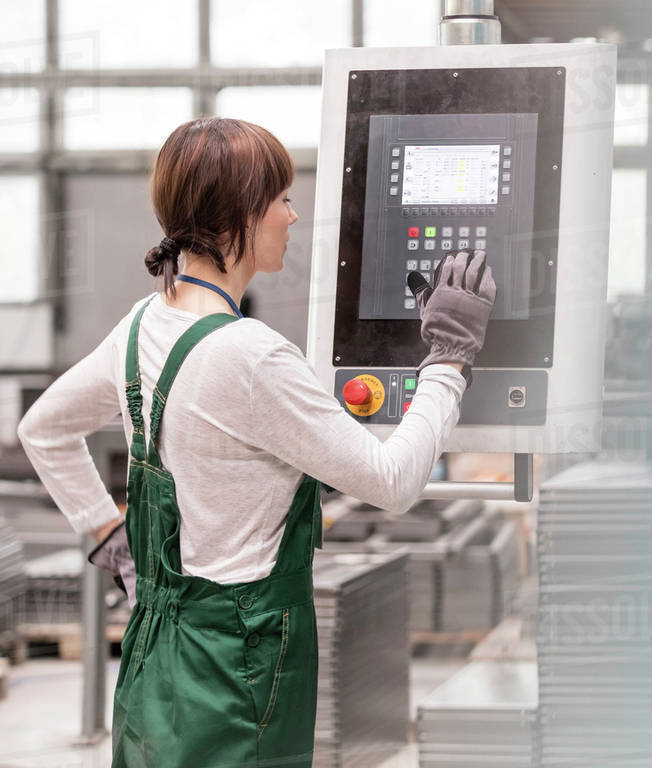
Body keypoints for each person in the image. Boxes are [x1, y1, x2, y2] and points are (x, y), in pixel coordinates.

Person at [16, 117, 495, 767]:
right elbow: (392, 480)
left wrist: (108, 535)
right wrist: (448, 359)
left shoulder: (140, 326)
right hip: (240, 669)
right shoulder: (252, 357)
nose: (292, 217)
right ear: (240, 215)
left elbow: (41, 429)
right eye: (281, 199)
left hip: (157, 658)